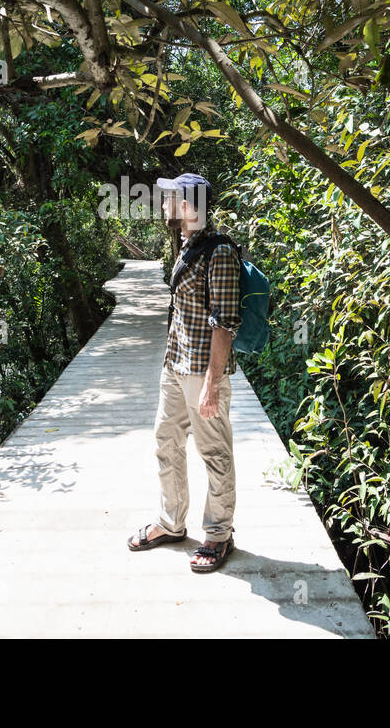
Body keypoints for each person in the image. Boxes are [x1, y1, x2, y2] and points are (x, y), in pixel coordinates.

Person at [127, 172, 242, 572]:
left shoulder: (220, 252)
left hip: (201, 372)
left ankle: (217, 534)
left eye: (169, 198)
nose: (163, 205)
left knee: (213, 452)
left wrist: (212, 383)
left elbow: (225, 322)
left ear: (189, 205)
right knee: (166, 441)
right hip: (174, 365)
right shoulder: (187, 244)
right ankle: (172, 523)